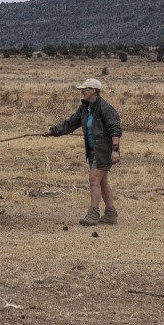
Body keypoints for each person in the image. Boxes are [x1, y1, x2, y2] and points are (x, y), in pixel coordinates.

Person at [44, 78, 122, 226]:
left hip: (104, 150)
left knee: (94, 180)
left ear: (94, 90)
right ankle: (110, 214)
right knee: (102, 181)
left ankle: (93, 214)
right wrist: (53, 131)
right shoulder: (85, 108)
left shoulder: (105, 108)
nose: (82, 92)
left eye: (85, 89)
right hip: (93, 149)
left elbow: (116, 129)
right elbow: (71, 123)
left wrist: (115, 150)